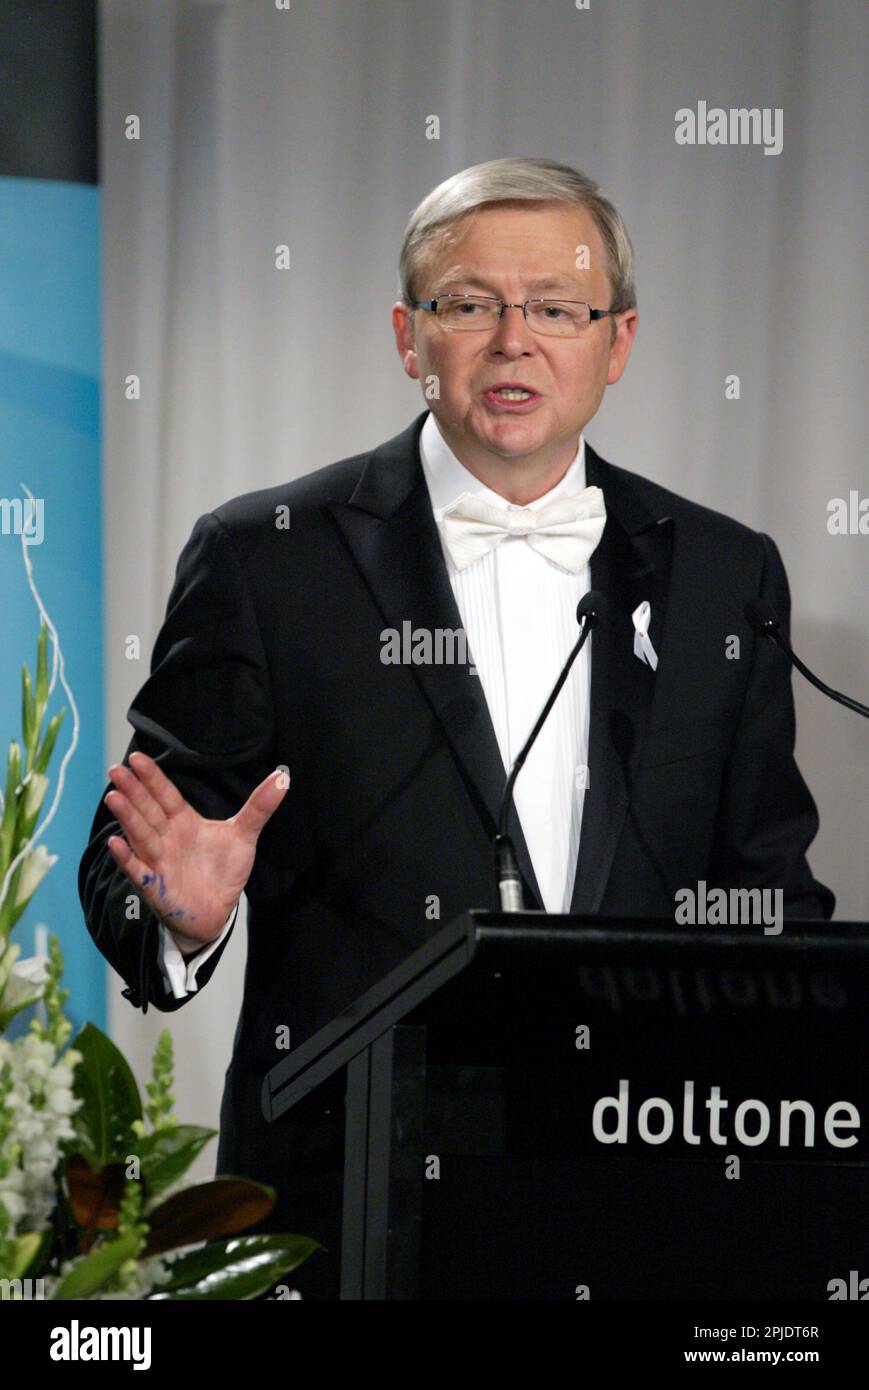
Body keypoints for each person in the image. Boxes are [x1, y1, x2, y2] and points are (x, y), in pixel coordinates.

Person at [78, 156, 834, 1299]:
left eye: (556, 309)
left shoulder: (723, 574)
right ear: (406, 335)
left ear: (616, 341)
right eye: (470, 305)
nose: (512, 340)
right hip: (347, 1211)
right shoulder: (266, 557)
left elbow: (767, 884)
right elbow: (128, 859)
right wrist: (181, 919)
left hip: (640, 1210)